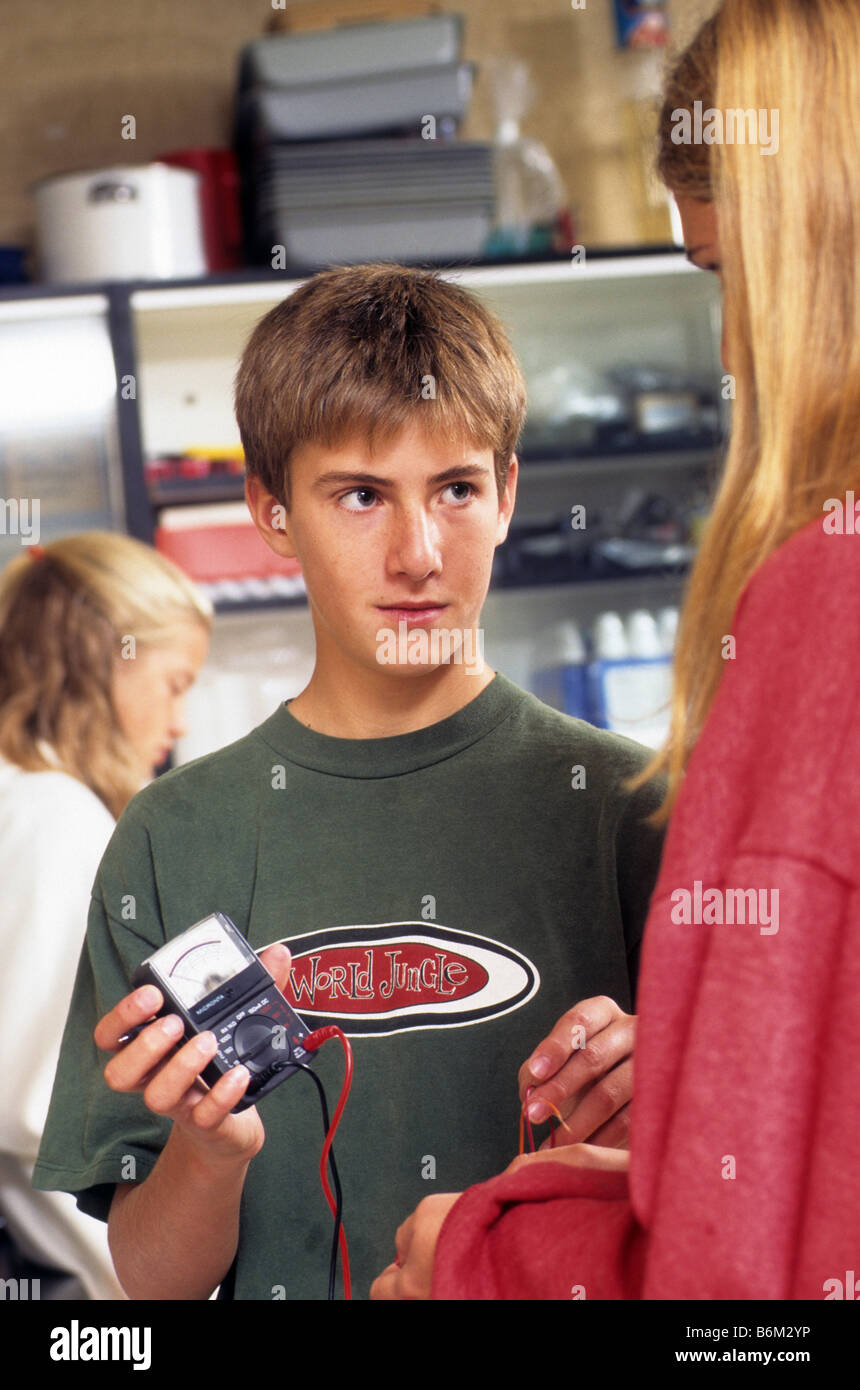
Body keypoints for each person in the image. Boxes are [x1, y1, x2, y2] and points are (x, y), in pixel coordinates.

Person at [33, 264, 666, 1300]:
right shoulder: (172, 836)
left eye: (455, 489)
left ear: (507, 494)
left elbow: (748, 1198)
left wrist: (671, 1096)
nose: (418, 553)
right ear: (270, 510)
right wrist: (210, 1151)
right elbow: (154, 1280)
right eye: (361, 495)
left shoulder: (631, 810)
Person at [370, 0, 860, 1300]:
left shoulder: (826, 603)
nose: (732, 340)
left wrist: (470, 1252)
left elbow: (739, 1289)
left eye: (725, 274)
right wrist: (712, 1067)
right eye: (360, 494)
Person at [0, 532, 211, 1299]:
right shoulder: (55, 816)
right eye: (175, 682)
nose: (181, 720)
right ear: (103, 659)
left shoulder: (23, 798)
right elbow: (36, 1113)